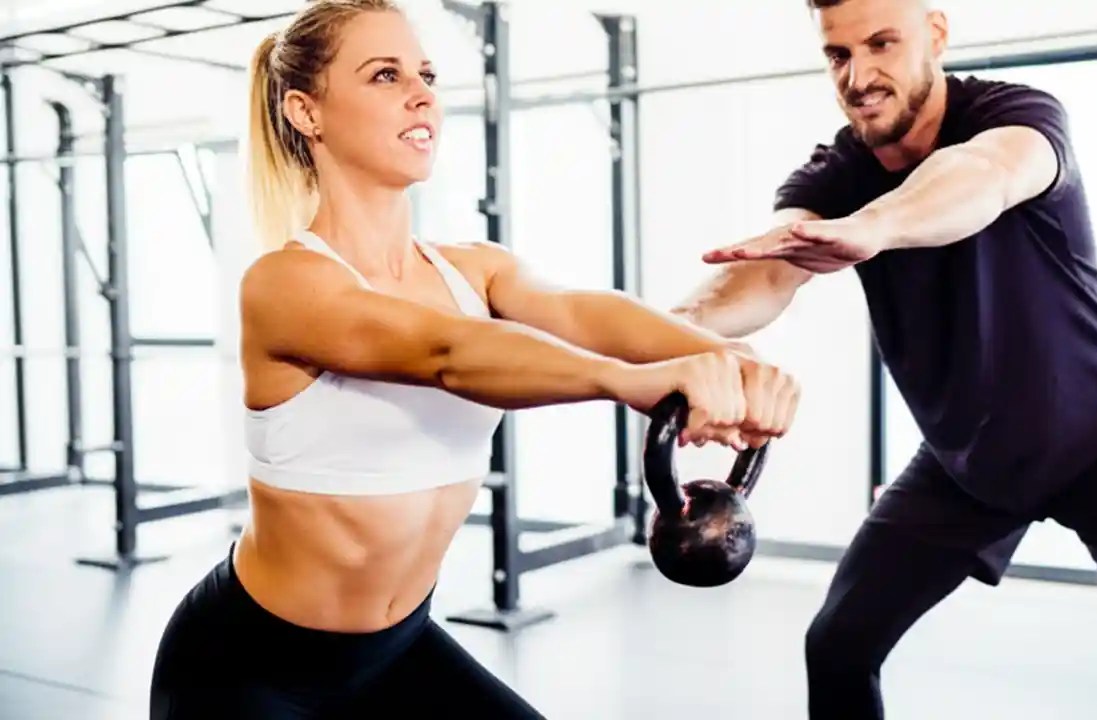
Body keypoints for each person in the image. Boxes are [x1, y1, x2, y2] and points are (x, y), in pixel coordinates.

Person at [147, 1, 801, 718]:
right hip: (249, 669)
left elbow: (587, 311)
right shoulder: (285, 283)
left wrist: (724, 356)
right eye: (385, 75)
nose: (422, 92)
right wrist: (633, 383)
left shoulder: (475, 270)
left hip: (397, 649)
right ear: (307, 112)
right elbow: (444, 353)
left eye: (425, 74)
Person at [672, 0, 1097, 718]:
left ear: (935, 34)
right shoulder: (833, 177)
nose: (859, 75)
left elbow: (984, 178)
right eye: (838, 55)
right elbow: (763, 273)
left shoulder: (1015, 117)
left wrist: (874, 227)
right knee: (838, 645)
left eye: (882, 44)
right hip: (973, 457)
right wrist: (647, 337)